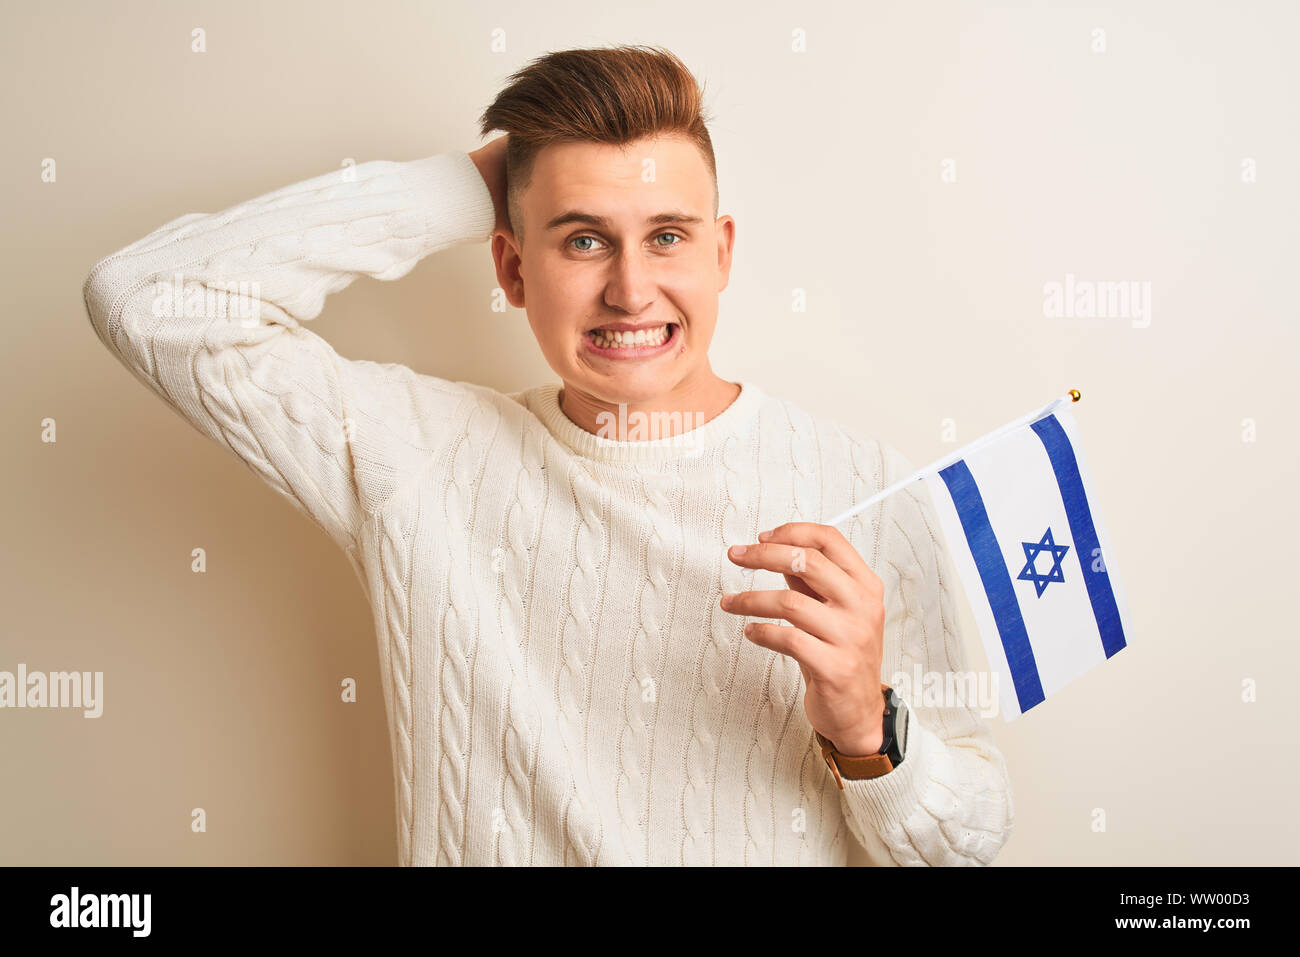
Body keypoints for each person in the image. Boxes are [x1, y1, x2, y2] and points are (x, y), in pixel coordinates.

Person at [82, 43, 1013, 866]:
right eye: (582, 239)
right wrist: (471, 180)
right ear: (513, 269)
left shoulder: (870, 490)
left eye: (667, 236)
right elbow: (144, 298)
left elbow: (968, 848)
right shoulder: (421, 457)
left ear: (720, 253)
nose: (631, 288)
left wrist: (866, 731)